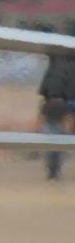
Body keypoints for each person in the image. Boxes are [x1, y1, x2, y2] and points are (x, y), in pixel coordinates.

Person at [42, 51, 75, 183]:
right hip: (56, 113)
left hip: (59, 112)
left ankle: (53, 172)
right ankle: (53, 172)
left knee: (55, 146)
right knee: (55, 147)